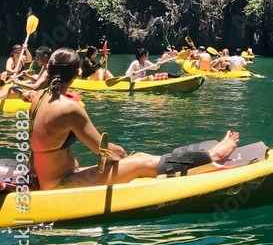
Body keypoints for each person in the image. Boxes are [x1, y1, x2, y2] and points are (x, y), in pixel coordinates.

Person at [29, 48, 240, 190]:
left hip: (53, 176)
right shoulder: (69, 108)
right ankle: (211, 156)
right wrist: (119, 151)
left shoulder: (37, 98)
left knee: (138, 156)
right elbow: (102, 151)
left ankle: (195, 158)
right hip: (62, 184)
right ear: (77, 73)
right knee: (140, 161)